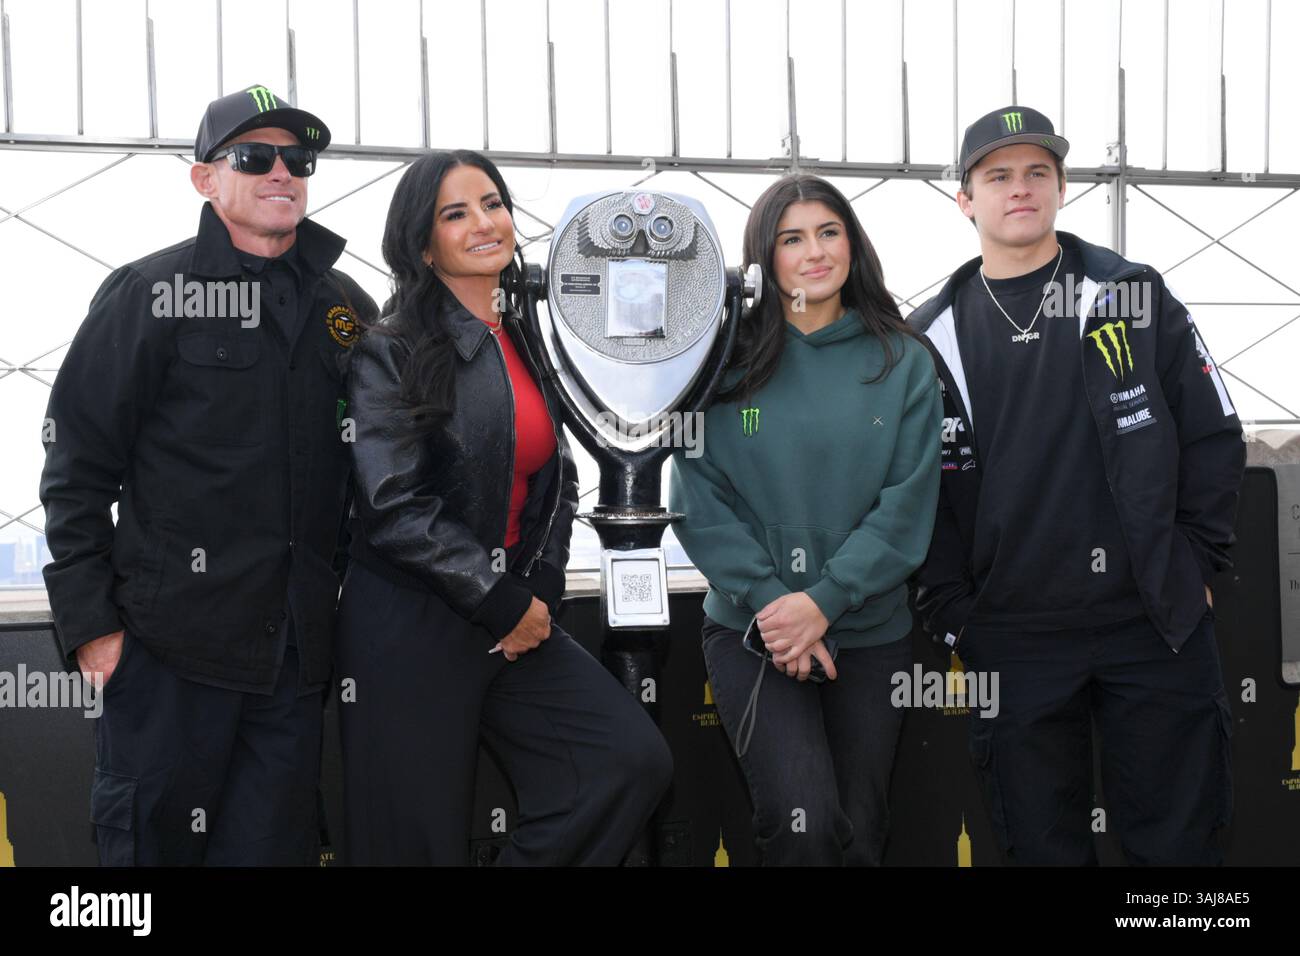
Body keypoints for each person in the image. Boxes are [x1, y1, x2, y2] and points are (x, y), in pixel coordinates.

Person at [39, 85, 377, 865]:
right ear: (204, 179)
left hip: (293, 665)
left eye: (298, 159)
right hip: (166, 656)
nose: (281, 173)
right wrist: (93, 629)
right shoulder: (149, 295)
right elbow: (75, 466)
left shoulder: (346, 307)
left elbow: (381, 468)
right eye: (255, 157)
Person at [908, 105, 1246, 864]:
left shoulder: (1129, 294)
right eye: (998, 176)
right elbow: (911, 490)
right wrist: (958, 616)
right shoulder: (928, 337)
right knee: (1042, 849)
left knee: (1177, 850)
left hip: (1150, 625)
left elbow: (1214, 433)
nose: (1019, 189)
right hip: (1015, 638)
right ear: (965, 199)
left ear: (1061, 188)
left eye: (1038, 173)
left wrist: (1189, 564)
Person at [337, 149, 673, 866]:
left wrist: (536, 594)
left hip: (513, 612)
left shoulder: (519, 336)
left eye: (493, 203)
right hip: (412, 625)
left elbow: (561, 477)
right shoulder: (388, 350)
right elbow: (394, 504)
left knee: (626, 761)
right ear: (422, 244)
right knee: (417, 844)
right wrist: (499, 602)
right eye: (455, 214)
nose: (484, 222)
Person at [668, 174, 942, 865]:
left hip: (871, 632)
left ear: (852, 242)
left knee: (860, 830)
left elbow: (906, 507)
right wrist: (776, 606)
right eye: (792, 238)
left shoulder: (903, 361)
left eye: (829, 231)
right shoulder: (719, 365)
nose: (815, 252)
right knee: (804, 825)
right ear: (765, 258)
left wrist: (825, 600)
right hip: (754, 635)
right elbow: (697, 501)